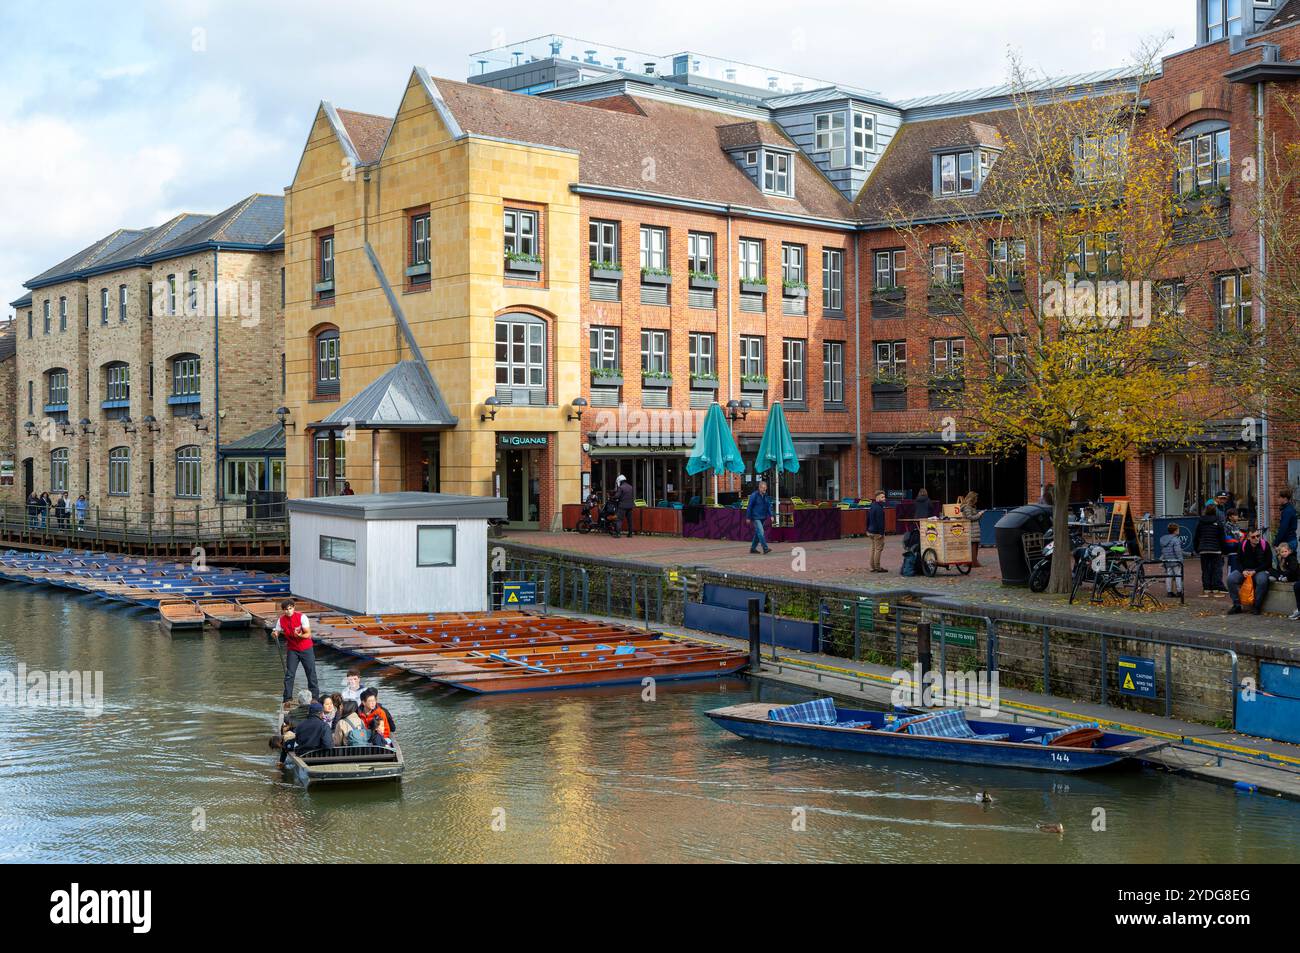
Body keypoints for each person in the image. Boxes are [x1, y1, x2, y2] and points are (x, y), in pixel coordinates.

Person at [274, 598, 320, 702]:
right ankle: (287, 698)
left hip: (306, 648)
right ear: (283, 610)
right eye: (286, 609)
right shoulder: (281, 620)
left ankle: (315, 698)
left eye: (290, 609)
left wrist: (300, 635)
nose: (288, 611)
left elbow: (308, 634)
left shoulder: (302, 617)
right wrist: (275, 634)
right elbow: (276, 631)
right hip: (292, 649)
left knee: (311, 672)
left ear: (293, 608)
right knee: (289, 674)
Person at [1227, 528, 1271, 615]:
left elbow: (1268, 562)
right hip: (1246, 570)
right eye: (1253, 537)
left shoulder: (1264, 544)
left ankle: (1256, 606)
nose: (1256, 538)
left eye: (1258, 536)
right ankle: (1237, 605)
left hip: (1260, 570)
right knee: (1231, 579)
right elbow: (1238, 560)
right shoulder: (1243, 545)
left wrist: (1255, 571)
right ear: (1248, 538)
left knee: (1262, 581)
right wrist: (1243, 570)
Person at [1192, 501, 1226, 597]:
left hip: (1204, 549)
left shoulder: (1200, 522)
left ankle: (1206, 588)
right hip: (1216, 549)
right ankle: (1216, 588)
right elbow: (1222, 538)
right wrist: (1223, 550)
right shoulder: (1218, 523)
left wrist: (1197, 548)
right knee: (1216, 569)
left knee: (1205, 569)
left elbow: (1196, 537)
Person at [1272, 542, 1300, 621]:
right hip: (1286, 576)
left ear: (1289, 551)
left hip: (1294, 577)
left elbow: (1293, 569)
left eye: (1285, 551)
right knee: (1271, 570)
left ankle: (1299, 610)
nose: (1284, 553)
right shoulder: (1281, 560)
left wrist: (1285, 575)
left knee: (1296, 586)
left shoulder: (1291, 558)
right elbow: (1279, 569)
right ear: (1279, 553)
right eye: (1282, 552)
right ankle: (1280, 578)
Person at [745, 479, 772, 555]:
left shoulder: (765, 496)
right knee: (761, 532)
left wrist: (771, 515)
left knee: (758, 533)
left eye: (765, 488)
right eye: (763, 488)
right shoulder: (754, 495)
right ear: (759, 488)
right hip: (756, 517)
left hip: (763, 516)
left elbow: (768, 506)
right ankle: (765, 548)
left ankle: (753, 549)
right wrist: (748, 517)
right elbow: (749, 506)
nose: (764, 489)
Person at [1158, 523, 1185, 597]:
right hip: (1176, 561)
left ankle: (1169, 592)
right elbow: (1178, 551)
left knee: (1169, 576)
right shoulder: (1175, 540)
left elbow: (1164, 551)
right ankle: (1179, 591)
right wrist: (1181, 561)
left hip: (1167, 561)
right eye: (1178, 530)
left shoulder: (1164, 539)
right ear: (1175, 531)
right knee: (1178, 576)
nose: (1179, 531)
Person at [959, 490, 982, 567]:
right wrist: (979, 514)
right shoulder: (967, 507)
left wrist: (979, 515)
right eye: (976, 498)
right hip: (971, 528)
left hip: (973, 528)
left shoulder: (970, 507)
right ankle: (973, 563)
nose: (977, 500)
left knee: (974, 545)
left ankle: (972, 562)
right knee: (973, 545)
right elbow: (969, 517)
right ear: (972, 499)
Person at [866, 490, 887, 573]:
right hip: (877, 532)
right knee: (878, 549)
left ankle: (872, 567)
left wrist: (867, 529)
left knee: (873, 549)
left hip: (871, 531)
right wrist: (881, 533)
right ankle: (877, 567)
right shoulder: (879, 508)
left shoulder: (872, 506)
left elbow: (867, 518)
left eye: (884, 496)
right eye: (882, 497)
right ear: (877, 498)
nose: (884, 498)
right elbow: (880, 522)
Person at [1275, 488, 1298, 553]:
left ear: (1285, 498)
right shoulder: (1289, 509)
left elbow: (1283, 528)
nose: (1278, 499)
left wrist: (1276, 542)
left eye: (1279, 497)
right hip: (1291, 540)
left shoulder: (1287, 511)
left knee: (1283, 562)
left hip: (1288, 542)